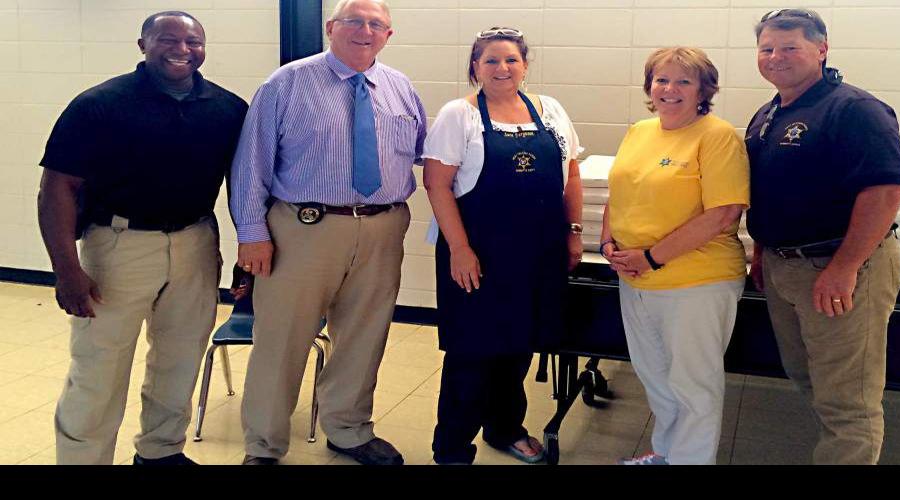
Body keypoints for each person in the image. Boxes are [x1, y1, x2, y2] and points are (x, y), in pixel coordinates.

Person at [37, 11, 248, 465]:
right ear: (142, 44)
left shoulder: (228, 108)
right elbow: (58, 188)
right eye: (168, 39)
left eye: (193, 41)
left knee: (181, 356)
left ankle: (160, 452)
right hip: (117, 246)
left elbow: (245, 185)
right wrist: (66, 270)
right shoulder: (98, 105)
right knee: (99, 368)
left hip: (196, 242)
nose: (182, 49)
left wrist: (246, 252)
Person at [231, 0, 426, 465]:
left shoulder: (401, 88)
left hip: (383, 228)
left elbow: (426, 157)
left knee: (364, 334)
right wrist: (251, 233)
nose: (365, 31)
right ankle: (263, 445)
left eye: (376, 24)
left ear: (388, 35)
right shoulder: (287, 82)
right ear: (330, 27)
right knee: (282, 339)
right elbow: (250, 163)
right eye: (354, 21)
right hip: (302, 230)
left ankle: (349, 430)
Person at [745, 9, 900, 465]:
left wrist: (844, 268)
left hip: (839, 267)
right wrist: (762, 250)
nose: (776, 57)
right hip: (784, 266)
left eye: (790, 47)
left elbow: (885, 189)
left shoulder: (854, 109)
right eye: (767, 49)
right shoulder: (770, 112)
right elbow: (766, 188)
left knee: (847, 400)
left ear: (822, 48)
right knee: (810, 379)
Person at [422, 27, 584, 465]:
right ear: (474, 68)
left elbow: (571, 171)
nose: (502, 68)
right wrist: (459, 249)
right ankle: (452, 447)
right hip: (477, 255)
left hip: (538, 255)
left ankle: (505, 428)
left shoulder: (549, 110)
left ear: (525, 65)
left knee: (518, 347)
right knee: (471, 353)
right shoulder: (459, 115)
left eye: (511, 59)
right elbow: (436, 184)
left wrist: (572, 232)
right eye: (490, 60)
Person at [603, 47, 749, 465]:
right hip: (635, 278)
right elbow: (621, 189)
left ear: (704, 90)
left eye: (684, 81)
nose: (670, 89)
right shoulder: (640, 131)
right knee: (657, 380)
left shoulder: (716, 135)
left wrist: (651, 257)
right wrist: (611, 242)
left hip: (696, 282)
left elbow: (723, 213)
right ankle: (667, 455)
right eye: (661, 80)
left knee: (693, 385)